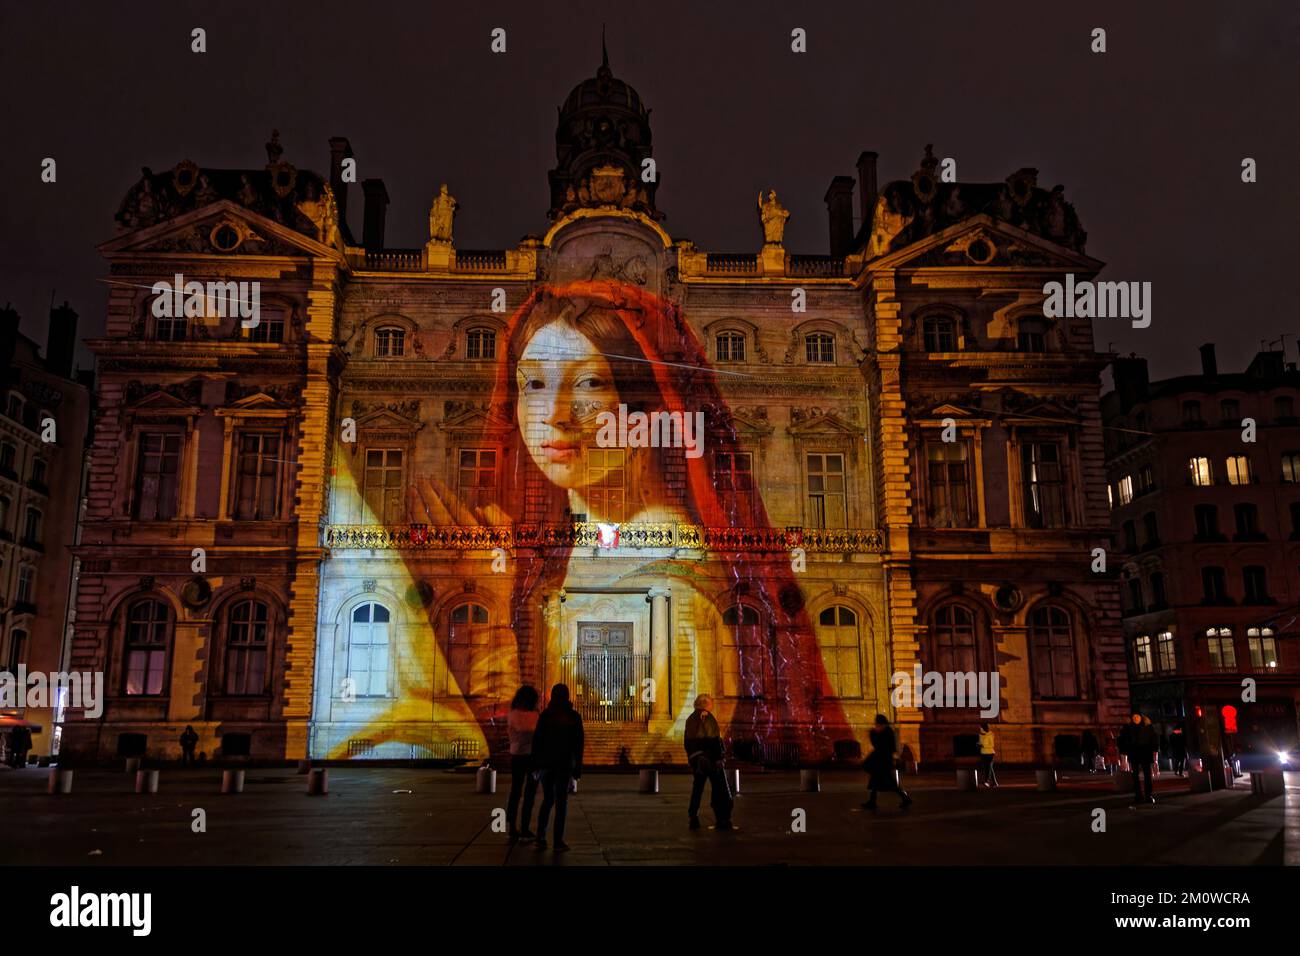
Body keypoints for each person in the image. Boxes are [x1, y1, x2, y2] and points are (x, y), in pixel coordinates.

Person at [532, 683, 584, 852]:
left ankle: (540, 837)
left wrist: (536, 764)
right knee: (561, 803)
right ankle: (558, 841)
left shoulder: (546, 716)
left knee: (547, 800)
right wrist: (577, 768)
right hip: (564, 765)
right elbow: (578, 745)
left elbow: (537, 741)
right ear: (568, 696)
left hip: (547, 764)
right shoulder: (574, 717)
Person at [685, 694, 733, 830]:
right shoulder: (707, 717)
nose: (713, 704)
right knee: (718, 787)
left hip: (697, 760)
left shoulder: (690, 718)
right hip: (709, 759)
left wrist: (692, 757)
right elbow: (713, 739)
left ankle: (692, 815)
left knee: (697, 788)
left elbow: (687, 741)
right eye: (711, 702)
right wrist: (718, 758)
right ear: (705, 704)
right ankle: (721, 817)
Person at [506, 685, 540, 842]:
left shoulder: (512, 714)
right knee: (529, 794)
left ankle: (512, 826)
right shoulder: (534, 716)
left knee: (516, 792)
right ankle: (524, 827)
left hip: (517, 756)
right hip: (531, 756)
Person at [862, 714, 912, 810]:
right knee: (876, 783)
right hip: (881, 762)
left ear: (881, 724)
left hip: (883, 763)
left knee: (889, 784)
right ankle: (872, 802)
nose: (875, 725)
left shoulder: (887, 732)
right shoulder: (886, 731)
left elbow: (879, 745)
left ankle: (906, 798)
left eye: (877, 723)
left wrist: (873, 733)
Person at [1125, 713, 1158, 805]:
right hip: (1134, 753)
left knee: (1147, 775)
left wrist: (1154, 750)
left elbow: (1154, 739)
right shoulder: (1129, 727)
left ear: (1141, 718)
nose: (1135, 718)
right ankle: (1138, 795)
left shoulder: (1148, 727)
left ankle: (1148, 795)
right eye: (1134, 717)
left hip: (1145, 753)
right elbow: (1124, 739)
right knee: (1135, 775)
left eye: (1137, 717)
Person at [977, 721, 998, 788]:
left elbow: (992, 745)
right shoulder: (980, 735)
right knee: (989, 768)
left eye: (980, 727)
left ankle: (986, 781)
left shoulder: (990, 735)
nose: (979, 728)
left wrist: (983, 746)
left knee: (988, 768)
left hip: (990, 753)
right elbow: (980, 742)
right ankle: (994, 782)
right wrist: (978, 744)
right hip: (983, 753)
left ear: (983, 728)